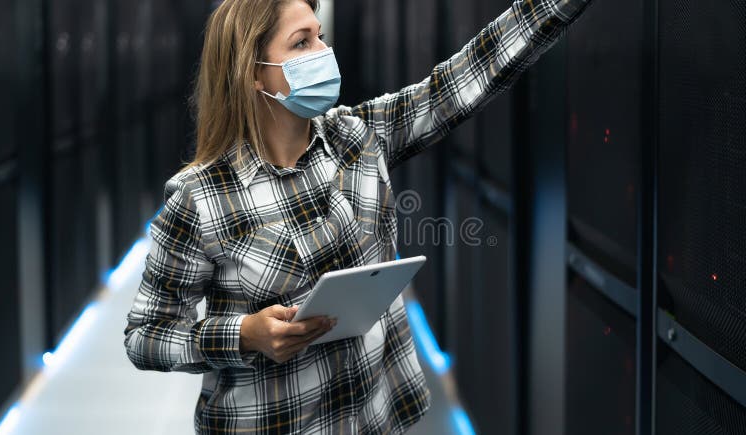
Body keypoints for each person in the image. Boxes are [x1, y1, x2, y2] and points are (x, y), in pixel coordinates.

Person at [123, 0, 593, 433]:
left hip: (371, 415)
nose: (323, 52)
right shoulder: (200, 198)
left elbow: (461, 80)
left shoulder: (356, 137)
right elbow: (145, 336)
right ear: (254, 74)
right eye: (302, 42)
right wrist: (244, 335)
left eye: (320, 36)